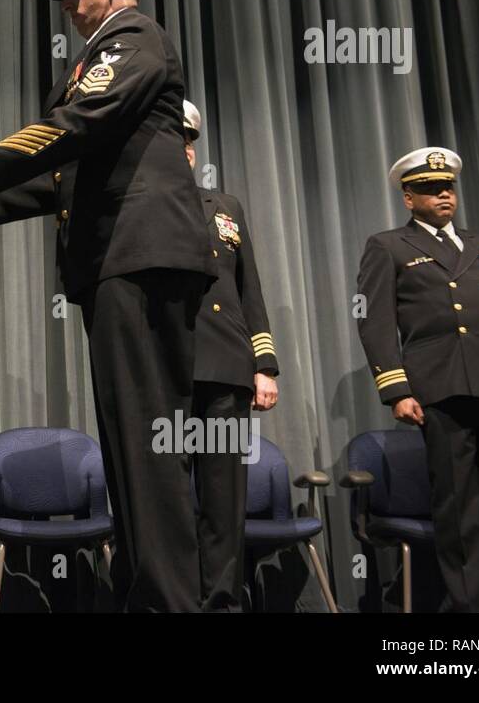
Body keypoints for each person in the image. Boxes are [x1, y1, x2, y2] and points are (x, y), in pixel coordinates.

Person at [0, 0, 215, 611]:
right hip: (116, 262)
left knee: (148, 445)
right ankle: (152, 597)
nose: (65, 5)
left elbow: (76, 128)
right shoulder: (93, 58)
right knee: (132, 445)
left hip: (141, 254)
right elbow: (63, 174)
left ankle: (170, 603)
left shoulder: (135, 36)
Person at [356, 147, 479, 612]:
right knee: (459, 508)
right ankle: (472, 608)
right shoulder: (389, 246)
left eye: (448, 187)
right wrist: (396, 388)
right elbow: (375, 321)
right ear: (408, 197)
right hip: (442, 388)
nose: (443, 194)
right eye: (429, 188)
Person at [182, 100, 279, 611]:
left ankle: (221, 603)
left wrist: (263, 365)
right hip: (166, 370)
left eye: (188, 142)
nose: (182, 151)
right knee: (169, 500)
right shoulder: (132, 203)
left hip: (225, 366)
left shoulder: (226, 208)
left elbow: (249, 288)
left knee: (223, 500)